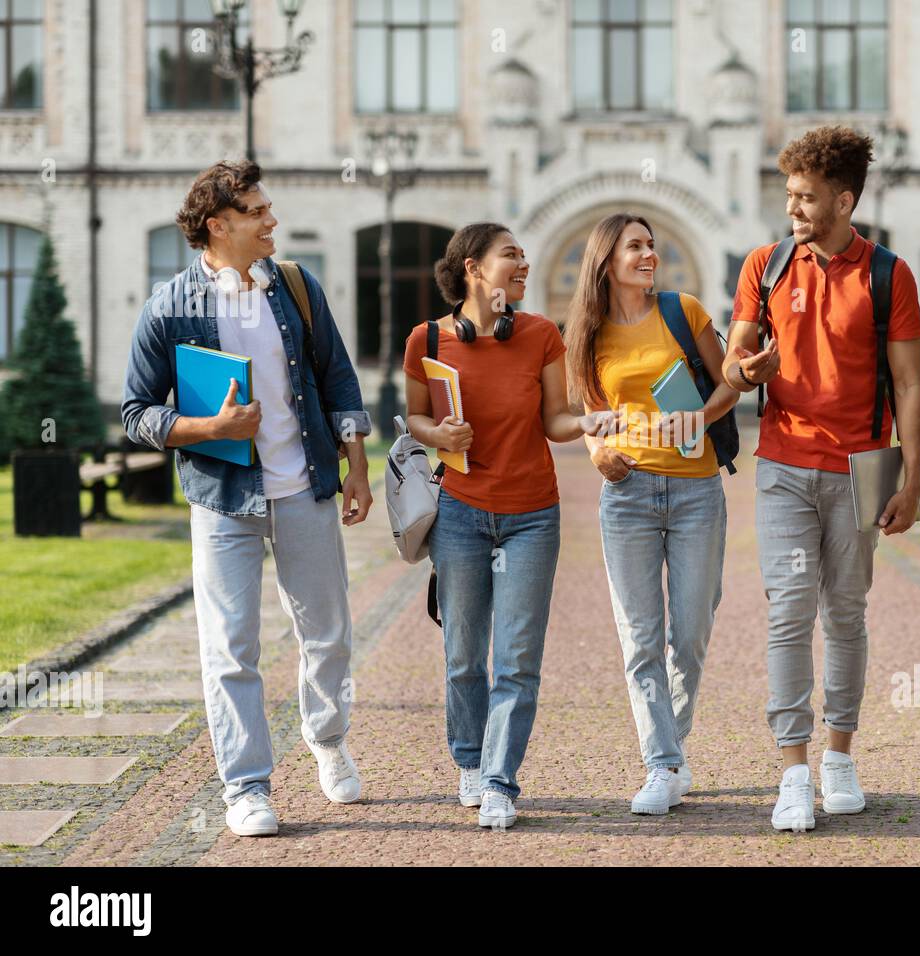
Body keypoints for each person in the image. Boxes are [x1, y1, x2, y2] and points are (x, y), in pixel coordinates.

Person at [122, 160, 373, 838]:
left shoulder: (294, 286)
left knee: (328, 635)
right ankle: (246, 787)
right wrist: (211, 429)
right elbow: (136, 412)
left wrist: (356, 465)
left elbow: (339, 382)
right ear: (219, 224)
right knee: (230, 648)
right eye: (259, 211)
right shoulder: (169, 305)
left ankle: (327, 738)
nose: (273, 221)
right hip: (222, 497)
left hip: (306, 489)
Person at [722, 126, 920, 831]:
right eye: (788, 195)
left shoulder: (888, 275)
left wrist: (913, 481)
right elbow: (733, 360)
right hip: (782, 464)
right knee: (788, 612)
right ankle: (792, 771)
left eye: (806, 197)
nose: (793, 208)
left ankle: (839, 754)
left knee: (845, 613)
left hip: (863, 467)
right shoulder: (766, 265)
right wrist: (748, 371)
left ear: (844, 200)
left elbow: (909, 383)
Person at [403, 222, 619, 829]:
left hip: (532, 515)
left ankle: (500, 780)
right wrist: (436, 434)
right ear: (473, 268)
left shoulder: (541, 334)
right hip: (459, 513)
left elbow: (555, 419)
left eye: (525, 255)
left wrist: (590, 422)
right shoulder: (427, 339)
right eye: (510, 256)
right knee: (464, 653)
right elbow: (415, 419)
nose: (523, 264)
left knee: (519, 657)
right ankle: (469, 760)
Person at [564, 213, 738, 815]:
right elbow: (589, 413)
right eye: (634, 246)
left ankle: (671, 745)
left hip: (696, 490)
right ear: (606, 260)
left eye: (651, 245)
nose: (648, 254)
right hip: (629, 494)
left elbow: (729, 384)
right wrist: (596, 449)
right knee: (640, 638)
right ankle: (662, 763)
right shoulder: (587, 333)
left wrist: (700, 418)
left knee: (688, 634)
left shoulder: (682, 311)